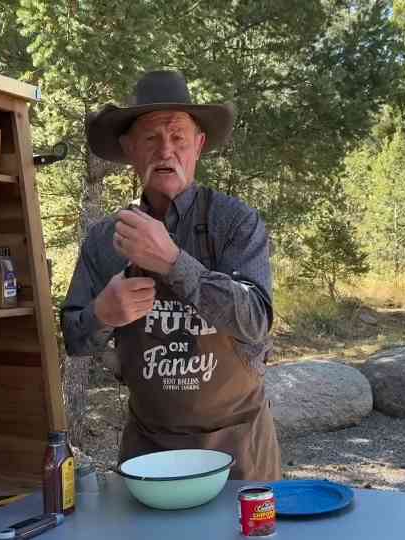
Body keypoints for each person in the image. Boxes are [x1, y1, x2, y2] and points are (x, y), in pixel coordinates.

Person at [60, 70, 281, 481]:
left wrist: (171, 261)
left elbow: (256, 322)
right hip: (149, 448)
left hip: (239, 447)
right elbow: (74, 339)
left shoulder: (235, 223)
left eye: (178, 137)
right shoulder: (105, 239)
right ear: (129, 150)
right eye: (150, 139)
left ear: (198, 145)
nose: (166, 151)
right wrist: (103, 314)